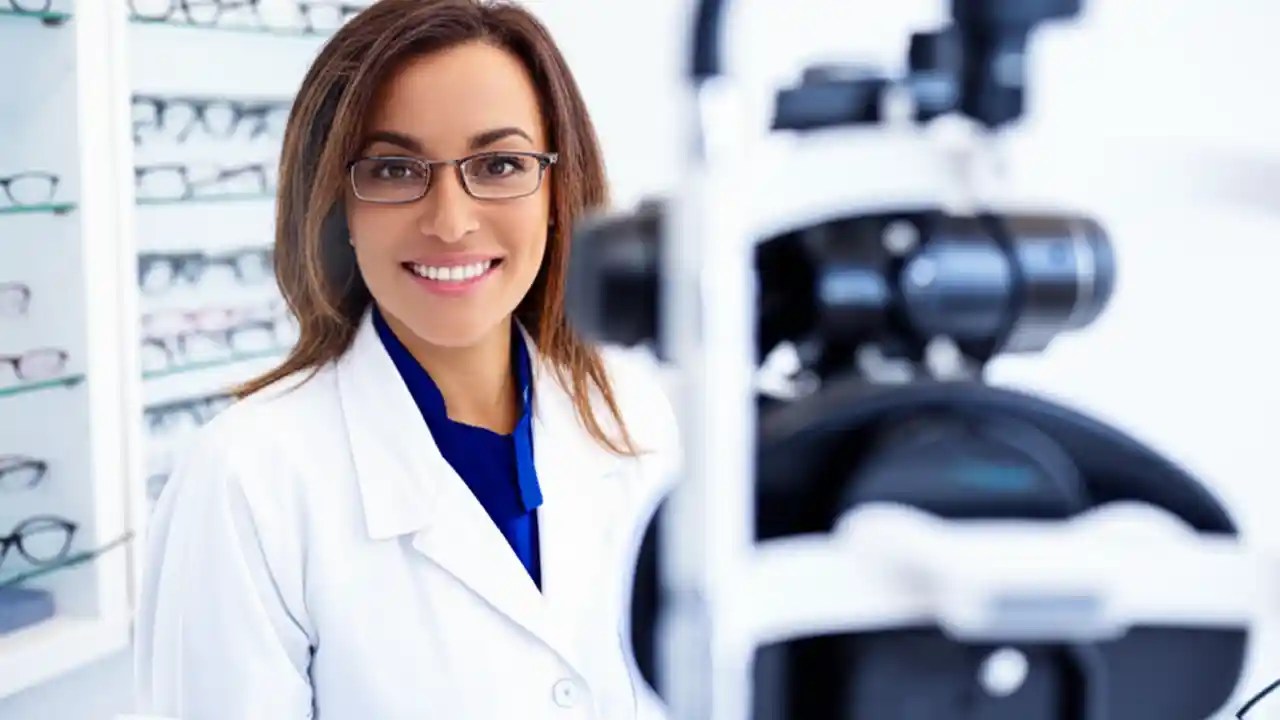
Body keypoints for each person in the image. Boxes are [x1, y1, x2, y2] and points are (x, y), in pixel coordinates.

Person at [132, 1, 679, 718]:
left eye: (500, 164)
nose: (451, 221)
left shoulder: (630, 410)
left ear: (556, 191)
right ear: (339, 208)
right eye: (394, 170)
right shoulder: (245, 480)